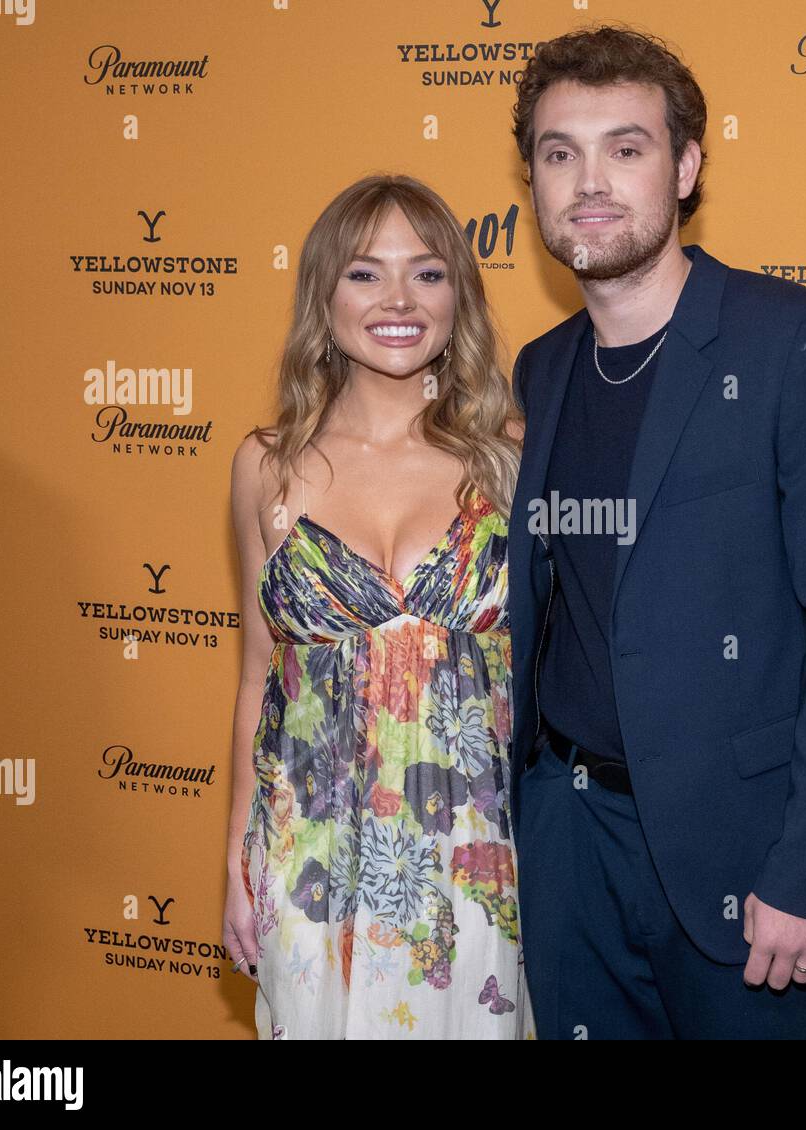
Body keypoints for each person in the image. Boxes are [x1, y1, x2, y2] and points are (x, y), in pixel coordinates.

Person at [506, 25, 806, 1039]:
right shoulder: (541, 370)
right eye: (560, 153)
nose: (588, 180)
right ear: (533, 182)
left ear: (684, 166)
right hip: (567, 843)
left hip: (750, 861)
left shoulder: (798, 338)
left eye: (624, 147)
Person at [221, 174, 533, 1039]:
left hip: (481, 863)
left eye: (427, 273)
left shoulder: (514, 455)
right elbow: (258, 681)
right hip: (311, 859)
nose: (398, 299)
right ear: (324, 296)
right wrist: (237, 866)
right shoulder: (267, 466)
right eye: (365, 273)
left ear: (457, 297)